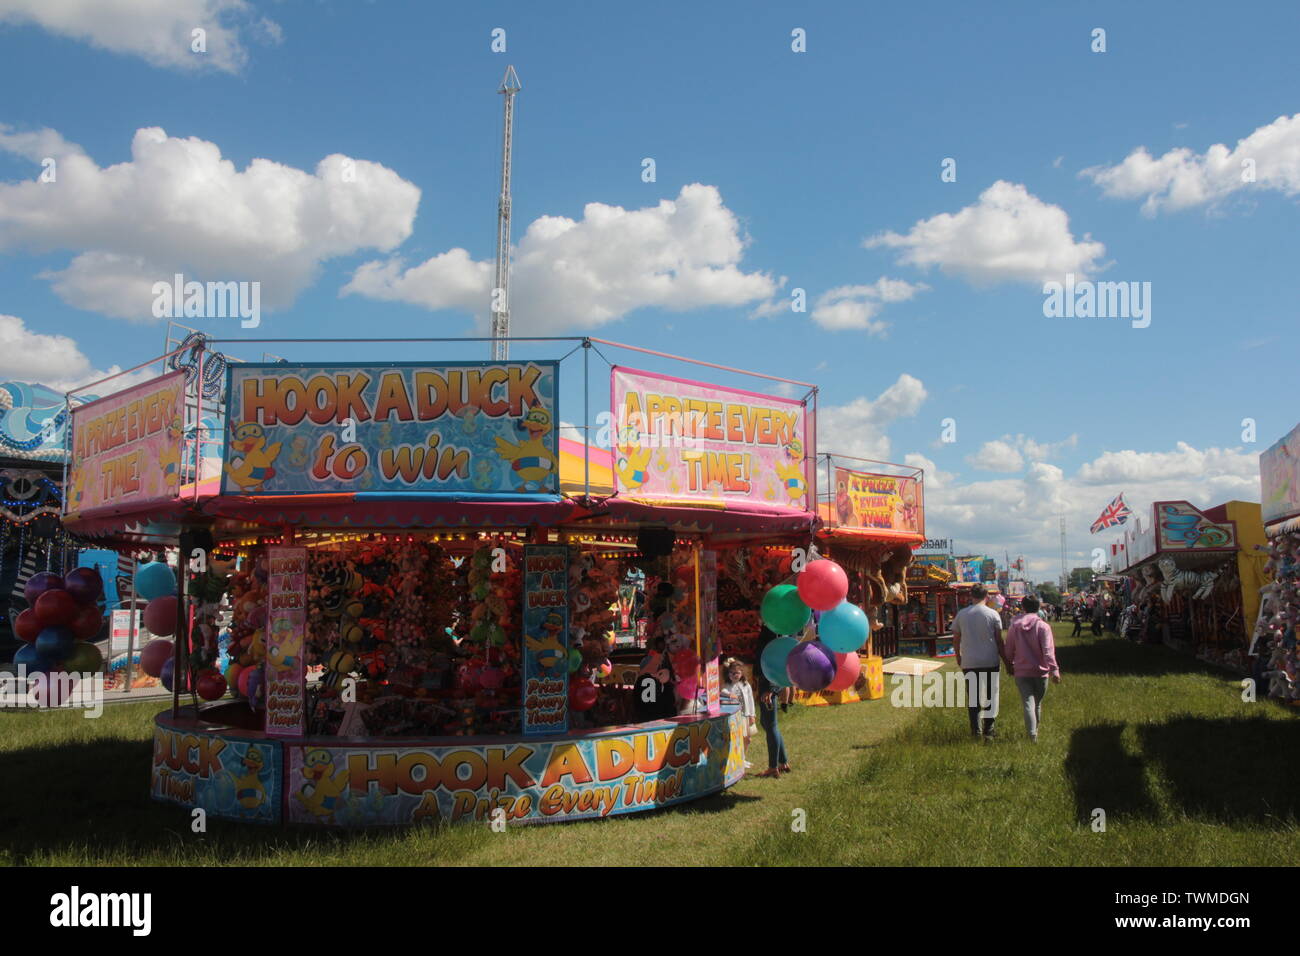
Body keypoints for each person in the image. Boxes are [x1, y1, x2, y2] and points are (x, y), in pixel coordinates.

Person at [951, 584, 1008, 740]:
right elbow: (999, 641)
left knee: (974, 698)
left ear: (971, 596)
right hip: (990, 660)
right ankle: (989, 729)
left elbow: (956, 638)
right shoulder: (993, 614)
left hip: (970, 662)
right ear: (987, 596)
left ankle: (975, 731)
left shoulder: (962, 614)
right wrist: (1007, 662)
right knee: (990, 696)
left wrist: (958, 656)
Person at [1003, 595, 1061, 742]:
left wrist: (1009, 664)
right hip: (1041, 671)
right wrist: (1054, 670)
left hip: (1021, 670)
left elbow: (1009, 648)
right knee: (1037, 703)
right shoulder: (1043, 626)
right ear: (1038, 607)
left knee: (1028, 703)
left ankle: (1032, 735)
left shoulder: (1014, 625)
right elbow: (1048, 651)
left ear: (1023, 607)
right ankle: (1035, 731)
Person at [754, 626, 791, 776]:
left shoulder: (774, 631)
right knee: (767, 723)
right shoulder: (773, 629)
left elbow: (777, 661)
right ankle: (783, 762)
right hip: (767, 682)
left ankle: (773, 767)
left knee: (770, 725)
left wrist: (772, 688)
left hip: (769, 684)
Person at [721, 657, 756, 769]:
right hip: (735, 717)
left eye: (737, 672)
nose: (734, 675)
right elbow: (722, 692)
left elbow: (751, 701)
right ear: (728, 673)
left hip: (745, 715)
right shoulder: (728, 685)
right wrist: (728, 694)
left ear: (742, 673)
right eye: (732, 673)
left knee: (748, 739)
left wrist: (752, 715)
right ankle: (739, 759)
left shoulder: (746, 685)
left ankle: (743, 757)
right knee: (738, 739)